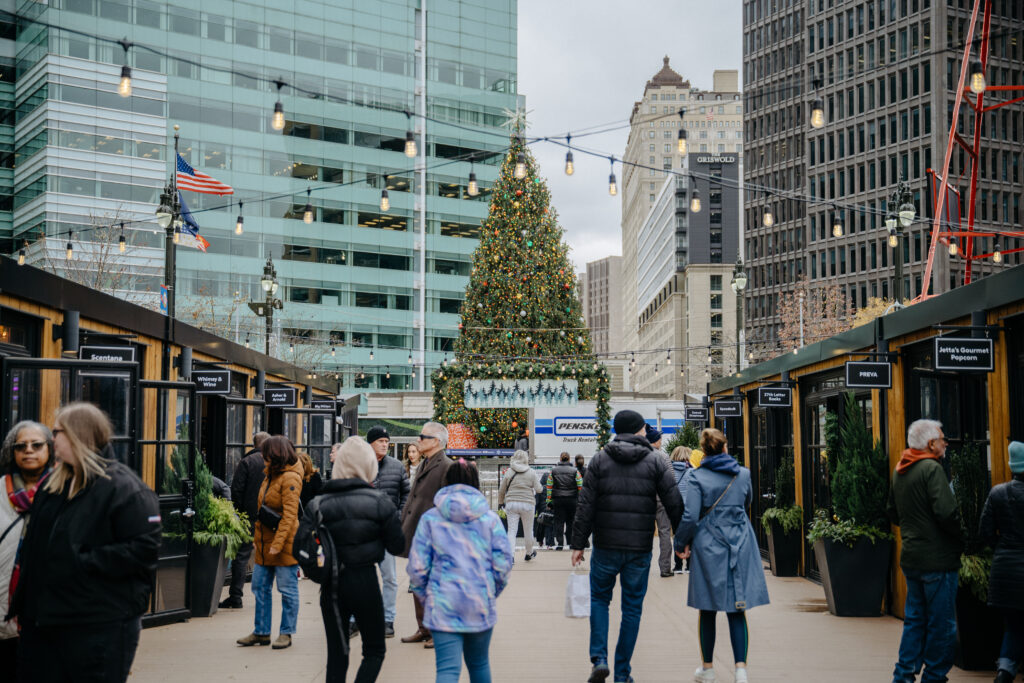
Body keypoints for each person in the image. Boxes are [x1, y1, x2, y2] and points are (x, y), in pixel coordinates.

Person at [10, 402, 160, 682]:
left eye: (57, 432)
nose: (52, 439)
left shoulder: (123, 488)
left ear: (78, 434)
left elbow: (144, 551)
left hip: (98, 627)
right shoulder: (53, 485)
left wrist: (81, 561)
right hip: (44, 625)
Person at [570, 410, 683, 683]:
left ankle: (599, 658)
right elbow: (674, 501)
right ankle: (622, 673)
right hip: (639, 548)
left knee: (599, 599)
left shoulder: (599, 460)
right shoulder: (656, 461)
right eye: (644, 428)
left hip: (606, 545)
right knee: (631, 608)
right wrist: (682, 541)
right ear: (638, 430)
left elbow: (586, 504)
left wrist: (578, 543)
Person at [675, 428, 768, 683]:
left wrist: (680, 542)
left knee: (707, 607)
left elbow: (691, 515)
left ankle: (707, 668)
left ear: (703, 451)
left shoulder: (697, 477)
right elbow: (746, 502)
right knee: (737, 607)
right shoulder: (744, 474)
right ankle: (741, 670)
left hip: (709, 544)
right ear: (725, 447)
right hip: (740, 541)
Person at [407, 458, 512, 683]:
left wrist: (428, 596)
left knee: (447, 670)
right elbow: (503, 564)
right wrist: (491, 592)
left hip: (443, 603)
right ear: (476, 484)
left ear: (446, 482)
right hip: (479, 602)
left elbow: (417, 568)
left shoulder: (430, 519)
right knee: (479, 664)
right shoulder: (490, 520)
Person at [315, 436, 405, 682]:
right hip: (364, 579)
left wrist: (320, 570)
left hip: (332, 583)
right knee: (374, 650)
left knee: (337, 654)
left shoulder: (319, 502)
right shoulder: (379, 502)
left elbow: (300, 547)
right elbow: (397, 544)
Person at [887, 419, 963, 683]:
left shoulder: (900, 469)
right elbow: (947, 512)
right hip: (938, 559)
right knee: (942, 624)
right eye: (942, 439)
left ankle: (904, 675)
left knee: (915, 620)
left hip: (911, 557)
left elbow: (892, 512)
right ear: (931, 444)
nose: (945, 443)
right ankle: (934, 677)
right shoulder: (932, 469)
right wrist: (960, 535)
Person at [237, 435, 304, 650]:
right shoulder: (269, 476)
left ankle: (286, 633)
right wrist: (259, 541)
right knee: (259, 587)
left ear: (276, 455)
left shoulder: (291, 478)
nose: (263, 458)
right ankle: (261, 632)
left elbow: (289, 516)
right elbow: (262, 513)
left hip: (283, 544)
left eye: (266, 455)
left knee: (287, 589)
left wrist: (277, 544)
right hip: (265, 544)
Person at [0, 421, 53, 676]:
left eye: (36, 444)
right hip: (3, 616)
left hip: (48, 617)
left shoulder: (65, 492)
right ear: (12, 451)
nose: (28, 450)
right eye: (20, 446)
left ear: (50, 449)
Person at [399, 422, 453, 649]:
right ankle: (424, 628)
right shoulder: (424, 464)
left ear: (436, 441)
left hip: (434, 537)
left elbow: (449, 506)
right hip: (417, 533)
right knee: (418, 584)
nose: (418, 440)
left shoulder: (447, 466)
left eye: (423, 436)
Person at [981, 441, 1024, 683]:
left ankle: (1005, 671)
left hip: (1005, 573)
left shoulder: (998, 493)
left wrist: (1003, 550)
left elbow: (985, 531)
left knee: (1014, 625)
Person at [366, 425, 410, 639]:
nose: (384, 444)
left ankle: (387, 619)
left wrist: (398, 517)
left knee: (390, 577)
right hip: (364, 530)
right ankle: (358, 618)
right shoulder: (361, 465)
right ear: (370, 443)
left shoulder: (397, 466)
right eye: (380, 441)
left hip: (387, 529)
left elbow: (406, 494)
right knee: (362, 576)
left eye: (386, 441)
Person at [223, 431, 271, 609]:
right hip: (270, 517)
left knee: (241, 557)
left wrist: (240, 512)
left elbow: (236, 490)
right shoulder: (274, 462)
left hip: (248, 517)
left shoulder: (247, 462)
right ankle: (264, 594)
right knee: (267, 555)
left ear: (254, 444)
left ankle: (236, 596)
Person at [497, 449, 543, 561]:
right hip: (528, 504)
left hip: (512, 503)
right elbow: (539, 489)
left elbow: (501, 490)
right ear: (526, 459)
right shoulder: (531, 472)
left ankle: (511, 556)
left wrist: (500, 503)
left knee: (512, 531)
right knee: (528, 530)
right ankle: (529, 553)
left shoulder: (509, 472)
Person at [646, 425, 675, 578]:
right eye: (660, 439)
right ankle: (665, 568)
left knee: (644, 534)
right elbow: (671, 479)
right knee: (665, 533)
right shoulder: (663, 457)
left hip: (645, 501)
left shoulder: (640, 456)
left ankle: (642, 566)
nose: (661, 442)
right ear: (655, 441)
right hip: (661, 501)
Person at [547, 452, 582, 550]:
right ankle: (570, 542)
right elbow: (580, 486)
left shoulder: (553, 471)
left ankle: (560, 543)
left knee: (559, 522)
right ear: (569, 459)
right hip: (572, 500)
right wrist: (580, 499)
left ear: (560, 459)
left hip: (558, 500)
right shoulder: (575, 471)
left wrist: (548, 501)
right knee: (571, 522)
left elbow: (549, 487)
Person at [670, 445, 693, 574]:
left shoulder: (670, 470)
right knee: (690, 535)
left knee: (677, 535)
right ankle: (689, 565)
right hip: (688, 505)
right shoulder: (691, 471)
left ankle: (677, 565)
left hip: (675, 506)